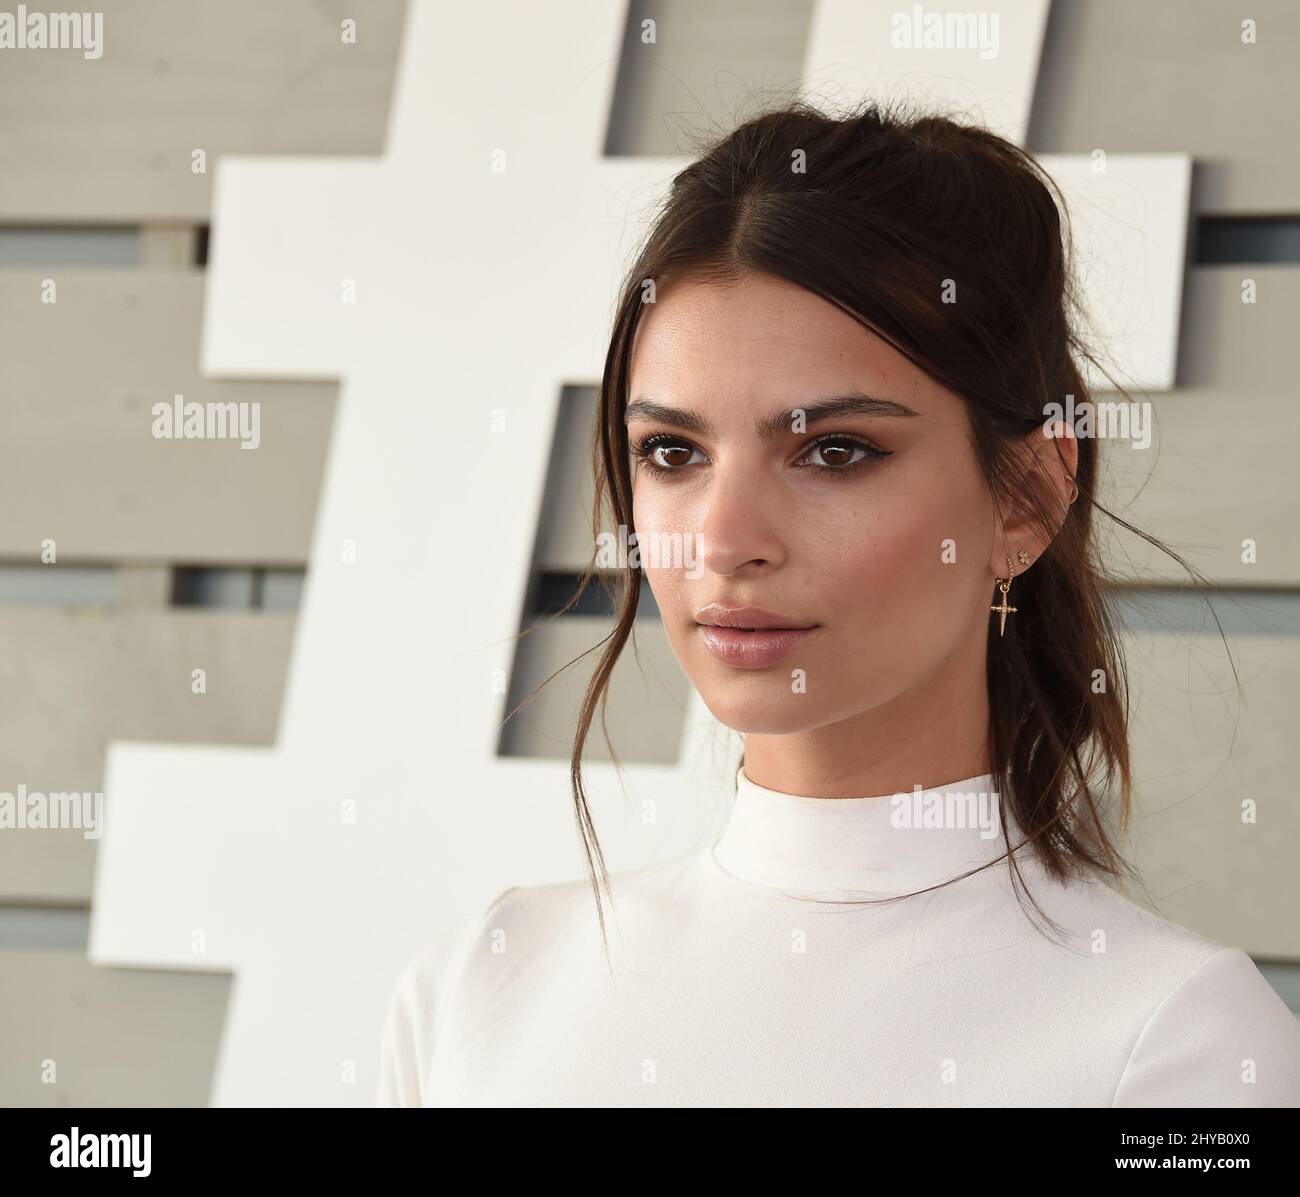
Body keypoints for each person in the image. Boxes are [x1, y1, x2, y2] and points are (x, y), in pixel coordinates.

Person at [376, 99, 1300, 1107]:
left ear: (1026, 498)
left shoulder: (1178, 1046)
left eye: (834, 451)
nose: (724, 540)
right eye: (672, 453)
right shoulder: (482, 991)